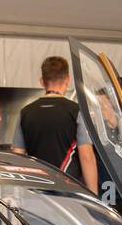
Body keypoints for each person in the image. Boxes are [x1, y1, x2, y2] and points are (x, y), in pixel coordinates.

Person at [12, 56, 98, 193]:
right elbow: (86, 156)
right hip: (68, 192)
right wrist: (94, 197)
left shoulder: (25, 113)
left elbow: (17, 157)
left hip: (36, 193)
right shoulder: (76, 111)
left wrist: (18, 195)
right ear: (68, 79)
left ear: (42, 81)